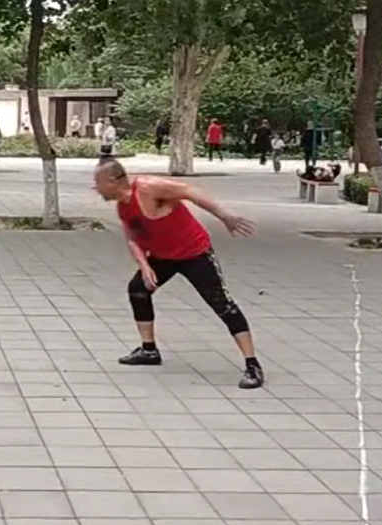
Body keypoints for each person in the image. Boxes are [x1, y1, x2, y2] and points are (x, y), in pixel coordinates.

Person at [93, 160, 264, 389]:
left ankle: (252, 365)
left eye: (98, 184)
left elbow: (190, 191)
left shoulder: (147, 187)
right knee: (138, 289)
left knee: (221, 303)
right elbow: (132, 238)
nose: (95, 189)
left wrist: (225, 216)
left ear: (113, 181)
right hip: (164, 257)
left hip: (194, 253)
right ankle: (149, 350)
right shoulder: (123, 207)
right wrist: (144, 266)